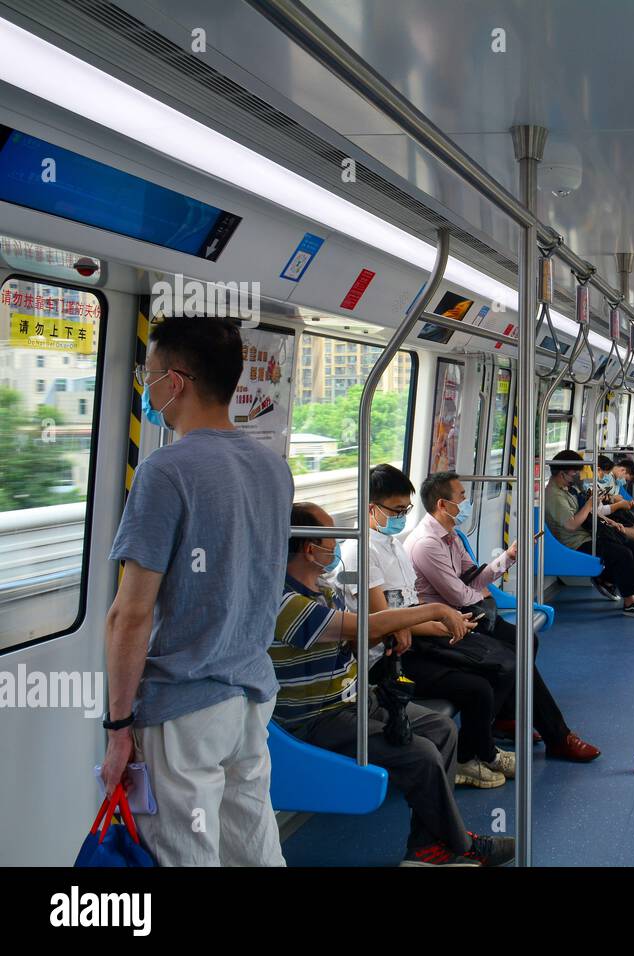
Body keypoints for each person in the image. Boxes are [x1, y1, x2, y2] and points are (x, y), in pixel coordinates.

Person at [102, 317, 293, 866]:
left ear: (176, 382)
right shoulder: (272, 467)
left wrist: (118, 727)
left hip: (183, 707)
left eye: (150, 373)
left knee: (185, 852)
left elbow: (130, 615)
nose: (148, 383)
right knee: (252, 844)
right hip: (250, 697)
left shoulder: (167, 470)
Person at [275, 503, 513, 866]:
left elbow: (356, 641)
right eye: (331, 538)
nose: (337, 545)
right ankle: (459, 844)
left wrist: (386, 632)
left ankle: (426, 847)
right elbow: (359, 626)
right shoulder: (286, 604)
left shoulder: (326, 591)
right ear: (310, 549)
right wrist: (430, 612)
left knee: (442, 728)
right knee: (422, 755)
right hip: (317, 717)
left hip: (354, 699)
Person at [333, 465, 515, 788]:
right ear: (372, 508)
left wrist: (449, 625)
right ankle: (468, 759)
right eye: (397, 510)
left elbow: (410, 610)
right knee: (478, 688)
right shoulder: (360, 551)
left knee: (496, 664)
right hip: (384, 660)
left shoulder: (394, 546)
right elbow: (388, 622)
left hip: (412, 643)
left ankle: (477, 751)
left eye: (407, 509)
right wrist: (439, 620)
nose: (403, 516)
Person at [405, 471, 600, 762]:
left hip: (467, 613)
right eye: (461, 497)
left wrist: (508, 556)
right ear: (443, 505)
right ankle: (557, 736)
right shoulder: (427, 544)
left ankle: (508, 717)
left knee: (526, 642)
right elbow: (459, 595)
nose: (466, 501)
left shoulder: (452, 536)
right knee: (518, 654)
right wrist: (483, 598)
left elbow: (473, 578)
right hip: (447, 624)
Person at [544, 449, 634, 617]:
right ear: (562, 473)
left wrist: (609, 520)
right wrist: (590, 504)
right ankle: (629, 602)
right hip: (576, 542)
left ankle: (632, 594)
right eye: (574, 473)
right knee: (622, 554)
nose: (576, 477)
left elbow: (586, 514)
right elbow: (571, 525)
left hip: (587, 534)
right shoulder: (554, 496)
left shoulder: (567, 488)